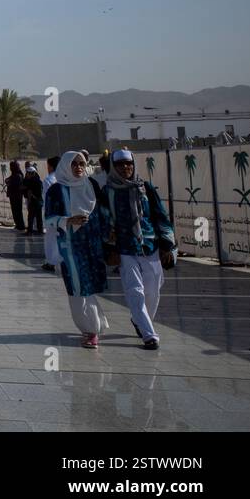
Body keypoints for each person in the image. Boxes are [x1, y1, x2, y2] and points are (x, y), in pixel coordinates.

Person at [102, 148, 176, 351]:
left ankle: (139, 321)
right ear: (113, 167)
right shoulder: (108, 191)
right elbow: (105, 221)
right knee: (135, 291)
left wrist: (167, 245)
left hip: (150, 246)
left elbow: (160, 216)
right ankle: (149, 335)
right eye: (120, 165)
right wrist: (109, 249)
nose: (125, 168)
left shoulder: (146, 188)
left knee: (153, 290)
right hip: (125, 249)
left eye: (128, 164)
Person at [45, 151, 111, 348]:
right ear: (65, 166)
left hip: (93, 245)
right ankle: (91, 328)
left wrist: (109, 235)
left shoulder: (92, 185)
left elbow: (104, 212)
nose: (78, 167)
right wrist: (68, 220)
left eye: (81, 163)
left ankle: (94, 326)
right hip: (71, 248)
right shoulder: (56, 190)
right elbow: (48, 220)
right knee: (77, 288)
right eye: (73, 164)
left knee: (89, 286)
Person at [34, 159, 59, 271]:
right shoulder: (65, 178)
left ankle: (51, 262)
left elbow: (46, 198)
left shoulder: (48, 180)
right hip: (64, 213)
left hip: (51, 213)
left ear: (51, 167)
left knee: (50, 238)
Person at [24, 158, 45, 235]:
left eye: (29, 173)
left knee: (32, 217)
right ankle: (39, 230)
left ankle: (31, 231)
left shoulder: (33, 181)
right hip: (37, 201)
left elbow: (32, 192)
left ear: (32, 173)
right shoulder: (36, 181)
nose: (27, 175)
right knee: (37, 217)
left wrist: (30, 198)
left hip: (35, 201)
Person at [5, 160, 26, 231]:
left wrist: (9, 182)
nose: (10, 168)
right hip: (14, 196)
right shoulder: (15, 175)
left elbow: (15, 185)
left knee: (17, 211)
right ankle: (18, 225)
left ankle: (21, 226)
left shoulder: (18, 176)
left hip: (16, 196)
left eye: (11, 166)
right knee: (15, 211)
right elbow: (8, 180)